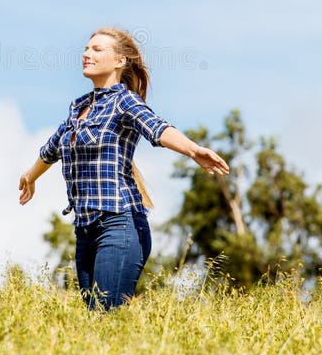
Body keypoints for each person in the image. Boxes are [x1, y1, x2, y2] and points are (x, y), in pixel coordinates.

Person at [18, 27, 230, 311]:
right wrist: (30, 177)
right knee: (97, 319)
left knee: (105, 314)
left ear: (119, 61)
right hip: (85, 231)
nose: (86, 54)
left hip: (120, 225)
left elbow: (157, 128)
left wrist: (193, 150)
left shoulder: (124, 101)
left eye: (97, 49)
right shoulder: (78, 110)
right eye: (86, 48)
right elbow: (51, 150)